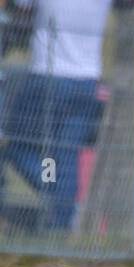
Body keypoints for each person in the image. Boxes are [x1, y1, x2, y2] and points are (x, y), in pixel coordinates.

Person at [0, 0, 112, 230]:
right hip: (88, 81)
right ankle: (60, 223)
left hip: (46, 76)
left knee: (13, 141)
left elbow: (19, 6)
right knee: (67, 156)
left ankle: (53, 193)